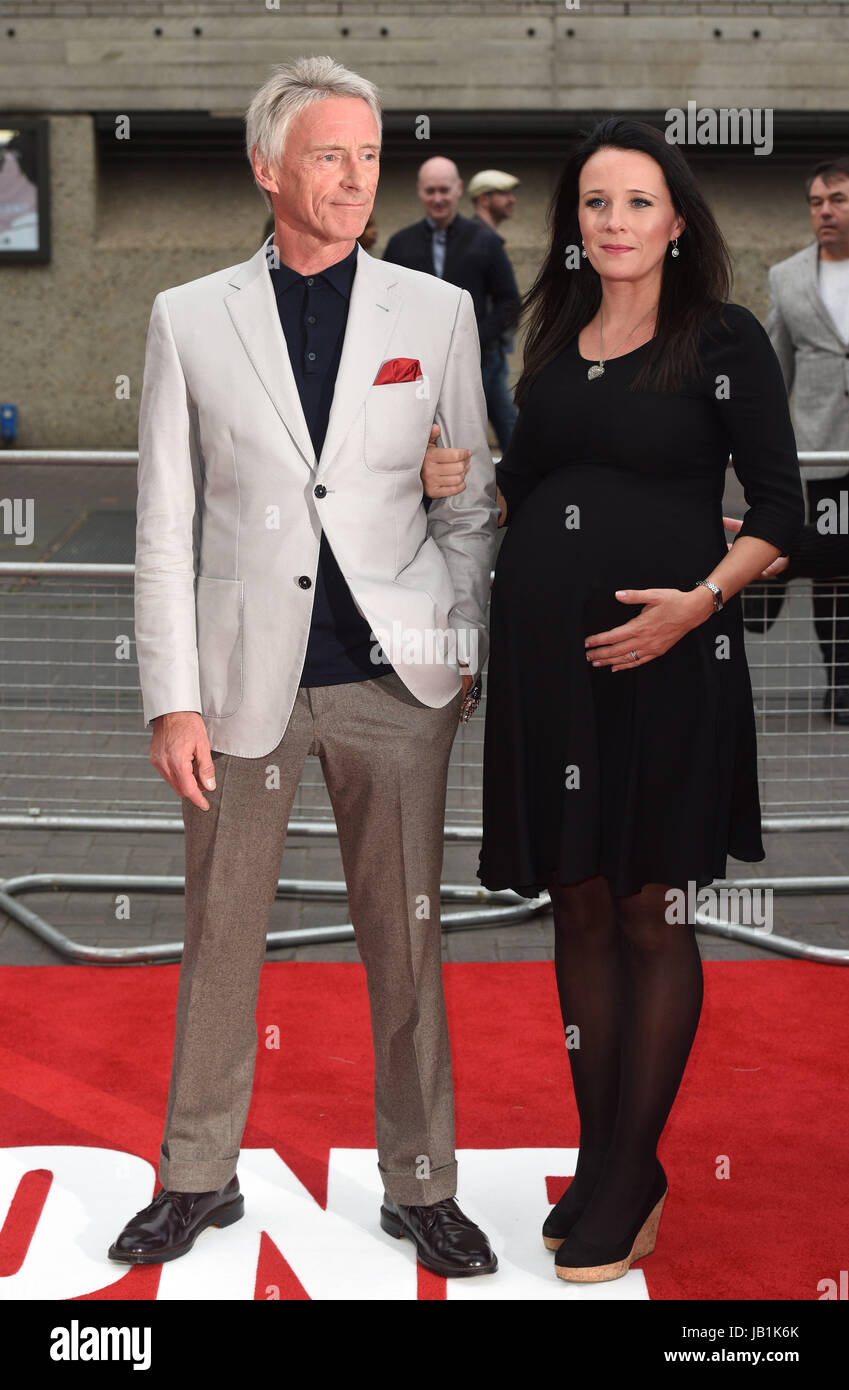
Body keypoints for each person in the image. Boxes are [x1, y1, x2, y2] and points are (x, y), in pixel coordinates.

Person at [110, 55, 500, 1279]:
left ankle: (422, 1183)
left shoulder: (435, 312)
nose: (356, 174)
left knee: (410, 940)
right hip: (240, 689)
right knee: (220, 937)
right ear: (268, 166)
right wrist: (172, 696)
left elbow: (471, 495)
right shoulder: (188, 314)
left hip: (399, 687)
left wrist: (456, 638)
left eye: (370, 153)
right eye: (330, 153)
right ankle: (196, 1173)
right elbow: (164, 522)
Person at [423, 117, 805, 1284]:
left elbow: (783, 516)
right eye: (596, 204)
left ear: (678, 220)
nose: (617, 223)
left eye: (640, 202)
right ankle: (601, 1156)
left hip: (673, 664)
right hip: (555, 677)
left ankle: (636, 1166)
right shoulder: (555, 342)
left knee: (651, 908)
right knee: (578, 904)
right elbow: (529, 487)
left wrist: (696, 602)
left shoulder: (725, 338)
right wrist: (461, 477)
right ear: (572, 226)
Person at [766, 157, 849, 725]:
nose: (826, 211)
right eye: (817, 202)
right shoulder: (787, 277)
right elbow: (775, 373)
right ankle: (840, 687)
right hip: (823, 453)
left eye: (838, 199)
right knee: (833, 577)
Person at [382, 156, 520, 449]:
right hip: (416, 366)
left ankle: (517, 491)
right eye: (430, 191)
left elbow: (509, 301)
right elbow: (382, 304)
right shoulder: (400, 244)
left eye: (444, 190)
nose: (438, 198)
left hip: (481, 361)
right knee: (418, 438)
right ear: (419, 191)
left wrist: (475, 338)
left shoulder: (485, 241)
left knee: (496, 429)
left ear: (459, 189)